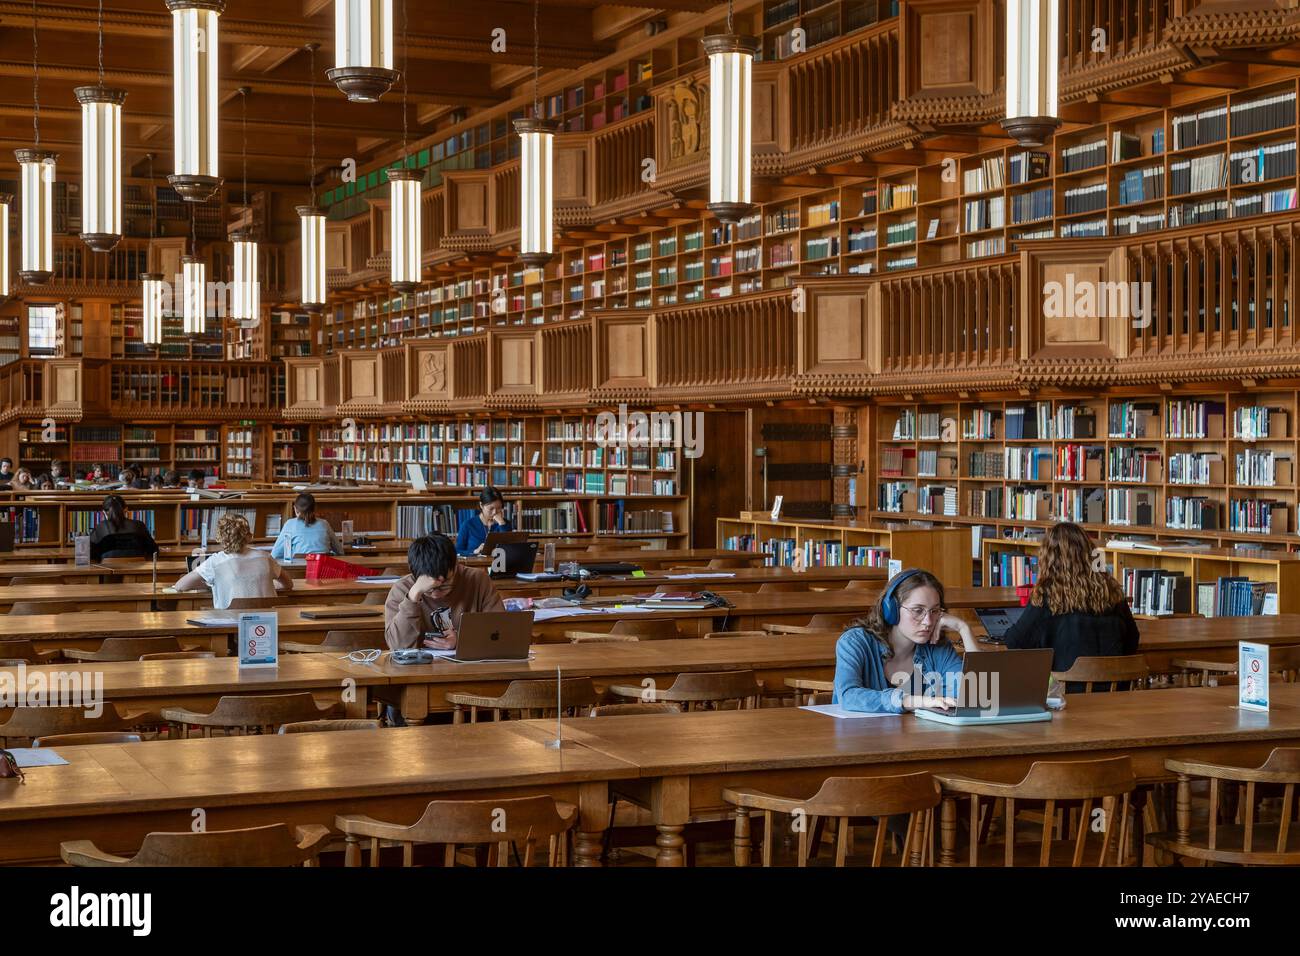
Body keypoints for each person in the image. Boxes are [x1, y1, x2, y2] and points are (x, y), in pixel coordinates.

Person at [834, 568, 981, 714]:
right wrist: (915, 701)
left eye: (934, 611)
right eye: (918, 611)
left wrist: (963, 628)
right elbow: (848, 696)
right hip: (861, 735)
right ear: (892, 610)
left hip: (919, 736)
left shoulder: (938, 647)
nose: (928, 622)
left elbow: (978, 693)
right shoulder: (854, 642)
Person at [1003, 522, 1140, 674]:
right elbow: (1132, 639)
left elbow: (1015, 642)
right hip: (1115, 690)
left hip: (1068, 692)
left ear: (1049, 559)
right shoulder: (1111, 591)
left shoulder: (1047, 595)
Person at [384, 534, 504, 651]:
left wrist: (462, 640)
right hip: (417, 668)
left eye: (444, 584)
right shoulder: (402, 588)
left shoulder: (478, 580)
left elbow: (500, 631)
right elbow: (397, 647)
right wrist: (414, 595)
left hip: (470, 666)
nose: (436, 594)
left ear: (456, 566)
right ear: (415, 574)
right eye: (429, 588)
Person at [172, 513, 292, 610]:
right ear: (249, 536)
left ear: (219, 538)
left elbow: (180, 586)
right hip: (268, 624)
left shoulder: (215, 561)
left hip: (231, 624)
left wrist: (210, 583)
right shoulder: (265, 558)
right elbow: (288, 584)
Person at [271, 492, 342, 560]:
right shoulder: (324, 524)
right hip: (322, 570)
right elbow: (340, 551)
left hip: (298, 571)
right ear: (315, 508)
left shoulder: (290, 524)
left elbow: (275, 555)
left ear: (295, 509)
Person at [89, 494, 159, 561]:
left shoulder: (101, 527)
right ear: (126, 509)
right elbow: (153, 550)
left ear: (104, 512)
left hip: (109, 571)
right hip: (136, 571)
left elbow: (90, 553)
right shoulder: (139, 525)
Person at [456, 487, 513, 556]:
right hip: (475, 565)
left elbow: (510, 549)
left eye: (499, 508)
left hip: (500, 565)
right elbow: (457, 551)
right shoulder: (468, 525)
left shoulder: (505, 524)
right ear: (481, 505)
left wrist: (501, 523)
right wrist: (475, 551)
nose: (495, 512)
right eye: (491, 508)